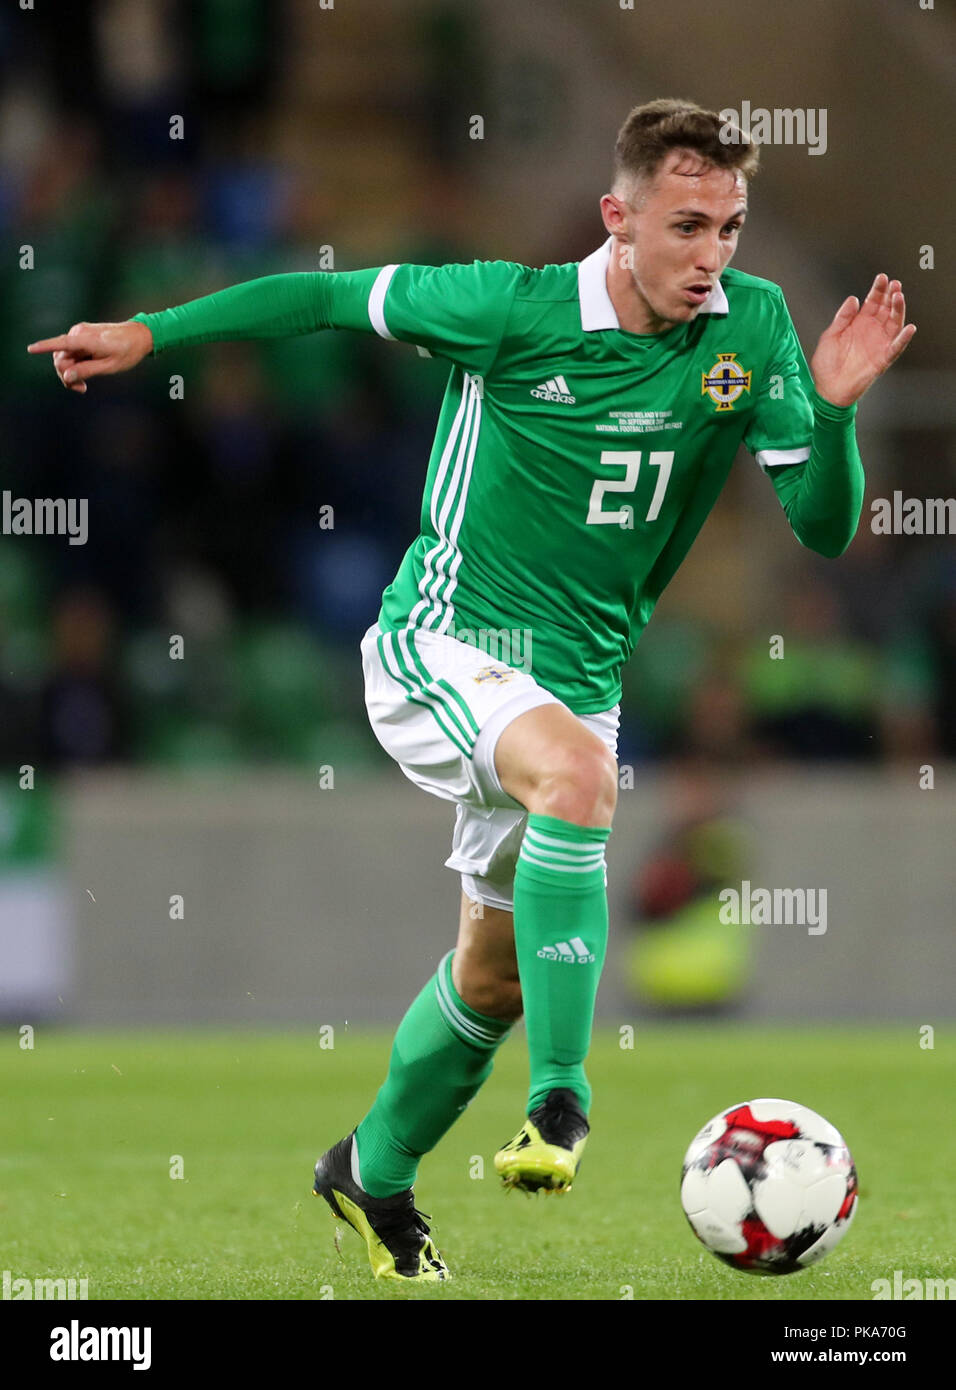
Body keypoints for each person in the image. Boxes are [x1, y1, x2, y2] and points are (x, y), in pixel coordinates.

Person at [28, 98, 915, 1284]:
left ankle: (369, 1174)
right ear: (618, 217)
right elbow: (323, 296)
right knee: (581, 779)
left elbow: (818, 527)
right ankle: (561, 1102)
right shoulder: (507, 306)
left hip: (574, 682)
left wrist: (838, 410)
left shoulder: (748, 326)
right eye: (687, 224)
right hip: (442, 643)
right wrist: (153, 331)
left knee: (493, 976)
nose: (711, 255)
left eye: (732, 227)